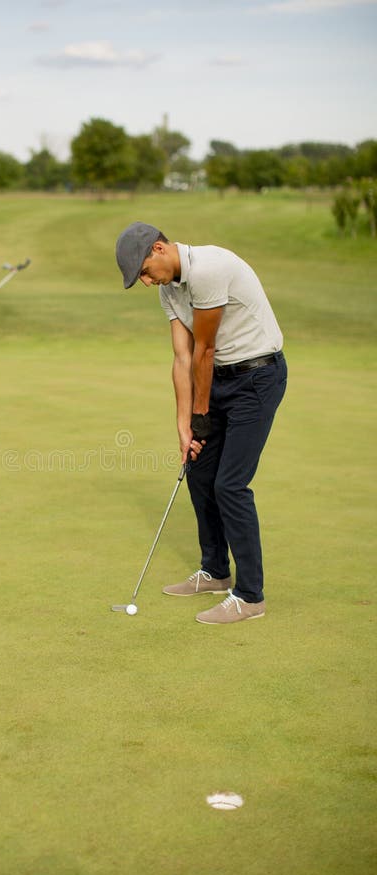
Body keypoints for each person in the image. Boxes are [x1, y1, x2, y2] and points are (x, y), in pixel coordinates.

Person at [115, 222, 287, 625]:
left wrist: (202, 416)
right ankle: (214, 570)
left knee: (230, 484)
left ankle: (250, 596)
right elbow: (182, 357)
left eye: (143, 271)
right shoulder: (168, 289)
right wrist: (184, 424)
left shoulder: (209, 269)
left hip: (257, 378)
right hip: (221, 378)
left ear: (159, 249)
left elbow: (205, 350)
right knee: (200, 471)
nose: (145, 282)